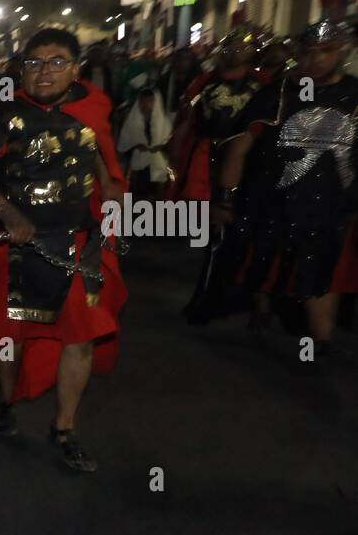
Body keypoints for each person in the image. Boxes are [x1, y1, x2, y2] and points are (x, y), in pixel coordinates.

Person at [0, 27, 128, 473]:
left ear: (76, 68)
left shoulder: (94, 109)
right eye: (34, 62)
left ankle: (64, 427)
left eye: (56, 62)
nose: (44, 71)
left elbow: (106, 167)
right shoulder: (3, 115)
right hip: (13, 246)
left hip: (80, 243)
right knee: (7, 341)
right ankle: (7, 401)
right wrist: (7, 214)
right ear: (20, 68)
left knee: (80, 336)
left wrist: (115, 209)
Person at [217, 19, 358, 358]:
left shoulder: (355, 94)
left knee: (325, 272)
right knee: (265, 263)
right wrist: (225, 198)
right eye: (309, 53)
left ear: (340, 52)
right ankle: (264, 307)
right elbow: (239, 148)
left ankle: (319, 341)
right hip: (276, 198)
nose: (316, 60)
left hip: (335, 204)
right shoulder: (277, 93)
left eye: (325, 52)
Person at [169, 30, 268, 324]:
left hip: (252, 162)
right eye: (230, 45)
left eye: (241, 46)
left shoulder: (264, 84)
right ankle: (209, 297)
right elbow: (188, 120)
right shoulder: (204, 83)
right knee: (217, 231)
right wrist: (176, 158)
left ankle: (255, 302)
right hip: (209, 156)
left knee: (252, 232)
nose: (234, 51)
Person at [117, 88, 172, 200]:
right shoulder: (132, 121)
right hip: (139, 169)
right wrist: (137, 145)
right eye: (143, 101)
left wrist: (160, 147)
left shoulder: (163, 122)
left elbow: (169, 142)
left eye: (150, 101)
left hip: (158, 167)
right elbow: (124, 144)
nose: (146, 105)